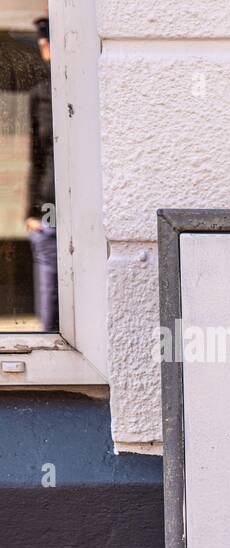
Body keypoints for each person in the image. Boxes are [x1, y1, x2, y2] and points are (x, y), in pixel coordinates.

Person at [26, 15, 56, 332]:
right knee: (50, 284)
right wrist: (30, 210)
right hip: (50, 203)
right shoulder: (40, 95)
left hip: (85, 203)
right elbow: (34, 158)